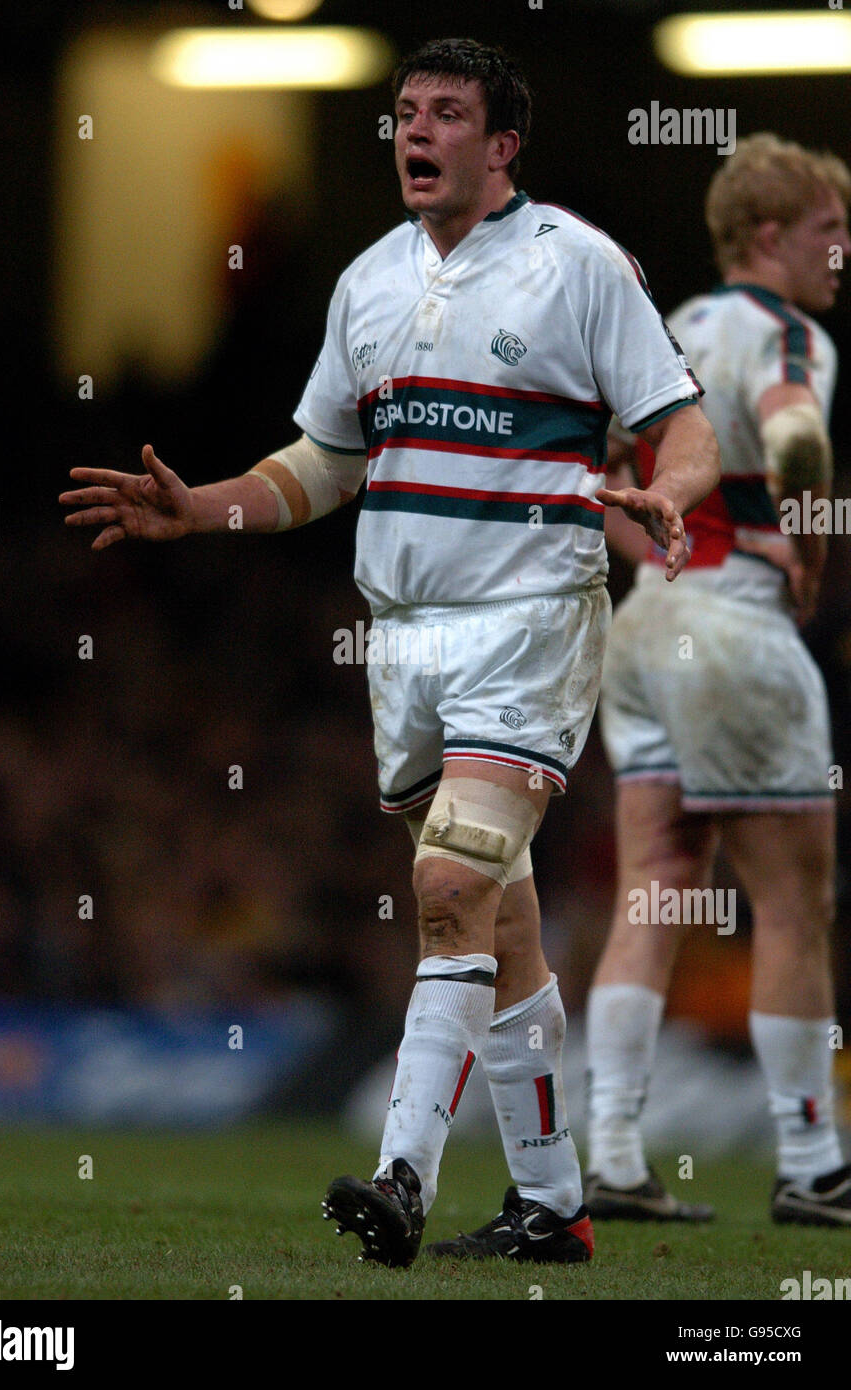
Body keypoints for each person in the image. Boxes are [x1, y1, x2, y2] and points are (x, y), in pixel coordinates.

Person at [60, 38, 719, 1267]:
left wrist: (669, 493)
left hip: (530, 624)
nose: (416, 133)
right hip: (404, 646)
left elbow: (681, 423)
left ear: (501, 142)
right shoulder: (368, 281)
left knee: (450, 889)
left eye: (446, 114)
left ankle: (401, 1176)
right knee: (499, 922)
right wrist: (199, 505)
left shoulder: (577, 267)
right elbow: (325, 463)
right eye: (405, 113)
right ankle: (550, 1206)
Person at [584, 133, 851, 1227]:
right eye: (831, 232)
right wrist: (808, 550)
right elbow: (794, 439)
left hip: (643, 632)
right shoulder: (785, 332)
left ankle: (606, 1154)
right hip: (736, 627)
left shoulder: (668, 330)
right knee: (794, 901)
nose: (843, 254)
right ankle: (811, 1163)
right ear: (770, 235)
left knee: (652, 884)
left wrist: (666, 560)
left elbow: (598, 479)